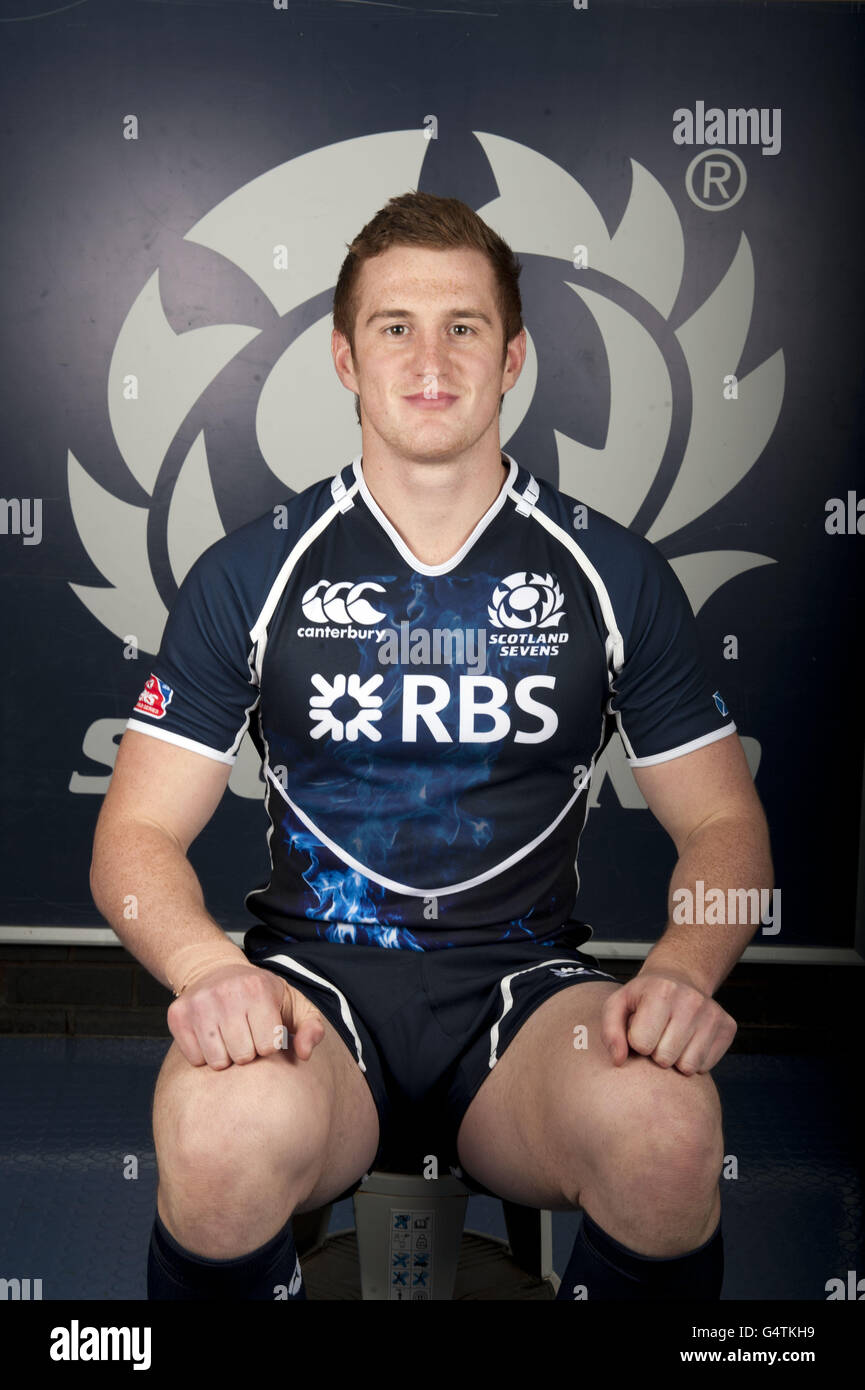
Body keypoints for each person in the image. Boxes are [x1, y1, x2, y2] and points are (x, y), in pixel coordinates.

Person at [90, 191, 772, 1302]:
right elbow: (136, 835)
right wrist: (210, 970)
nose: (429, 358)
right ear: (345, 361)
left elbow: (721, 825)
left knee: (666, 1128)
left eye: (462, 326)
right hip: (312, 989)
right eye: (393, 326)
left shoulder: (612, 574)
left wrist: (681, 974)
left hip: (524, 996)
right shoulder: (252, 573)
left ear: (511, 358)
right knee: (214, 1138)